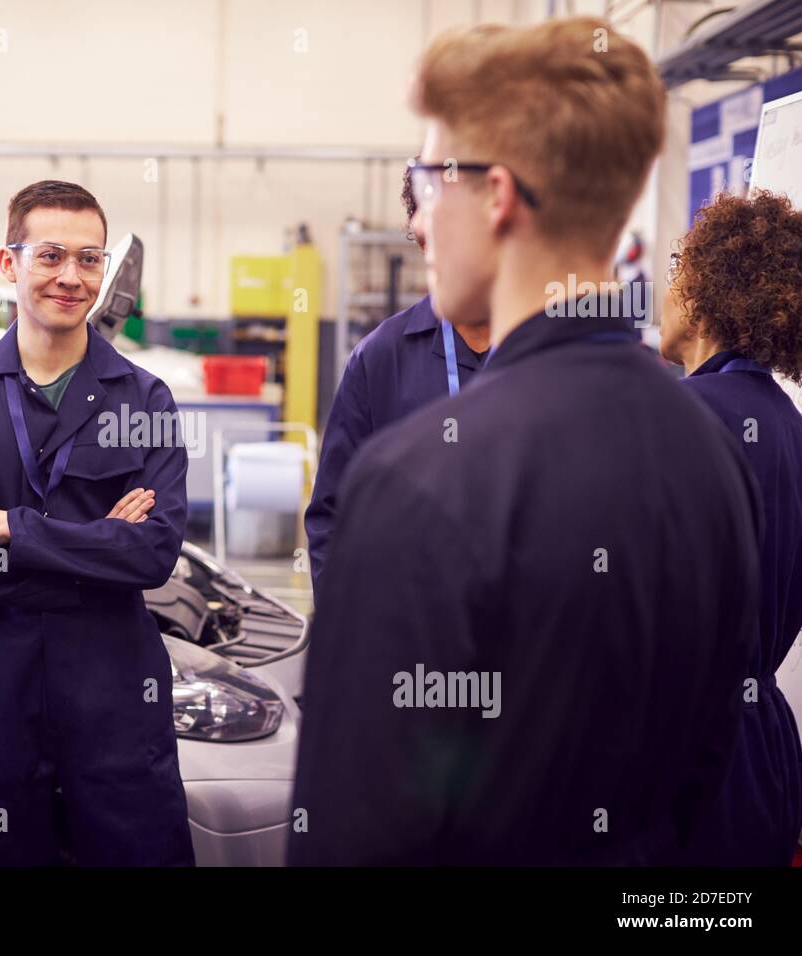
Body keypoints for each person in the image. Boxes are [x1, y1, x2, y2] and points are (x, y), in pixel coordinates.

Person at [290, 17, 759, 865]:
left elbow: (351, 832)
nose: (422, 221)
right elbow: (704, 766)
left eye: (429, 180)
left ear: (496, 194)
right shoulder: (714, 449)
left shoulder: (417, 478)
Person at [0, 180, 194, 866]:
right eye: (51, 256)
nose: (72, 277)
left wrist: (16, 529)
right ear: (10, 263)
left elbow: (152, 553)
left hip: (113, 697)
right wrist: (97, 551)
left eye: (90, 259)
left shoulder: (144, 399)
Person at [659, 190, 802, 865]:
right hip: (768, 760)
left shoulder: (672, 418)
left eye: (674, 267)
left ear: (702, 290)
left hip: (679, 763)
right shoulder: (789, 428)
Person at [305, 163, 489, 596]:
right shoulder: (381, 357)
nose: (436, 254)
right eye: (425, 239)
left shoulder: (545, 356)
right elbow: (332, 514)